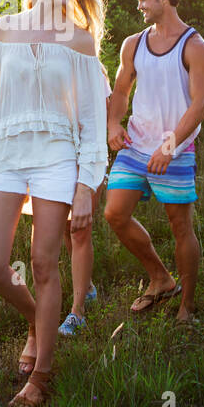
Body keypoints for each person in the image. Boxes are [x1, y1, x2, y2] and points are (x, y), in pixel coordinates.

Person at [0, 0, 108, 407]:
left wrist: (86, 185)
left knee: (44, 264)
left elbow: (91, 120)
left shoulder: (81, 41)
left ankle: (42, 375)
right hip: (5, 152)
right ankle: (36, 320)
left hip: (57, 157)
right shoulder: (4, 29)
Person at [104, 0, 204, 323]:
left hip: (175, 148)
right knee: (114, 213)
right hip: (136, 144)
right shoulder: (133, 44)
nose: (139, 6)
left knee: (180, 227)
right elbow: (121, 91)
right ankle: (160, 278)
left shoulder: (195, 47)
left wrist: (169, 147)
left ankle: (187, 305)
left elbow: (200, 104)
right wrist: (113, 123)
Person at [57, 63, 111, 337]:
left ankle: (77, 312)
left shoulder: (92, 69)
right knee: (66, 227)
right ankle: (87, 287)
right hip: (57, 159)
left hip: (88, 159)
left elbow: (105, 116)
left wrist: (94, 166)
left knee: (80, 230)